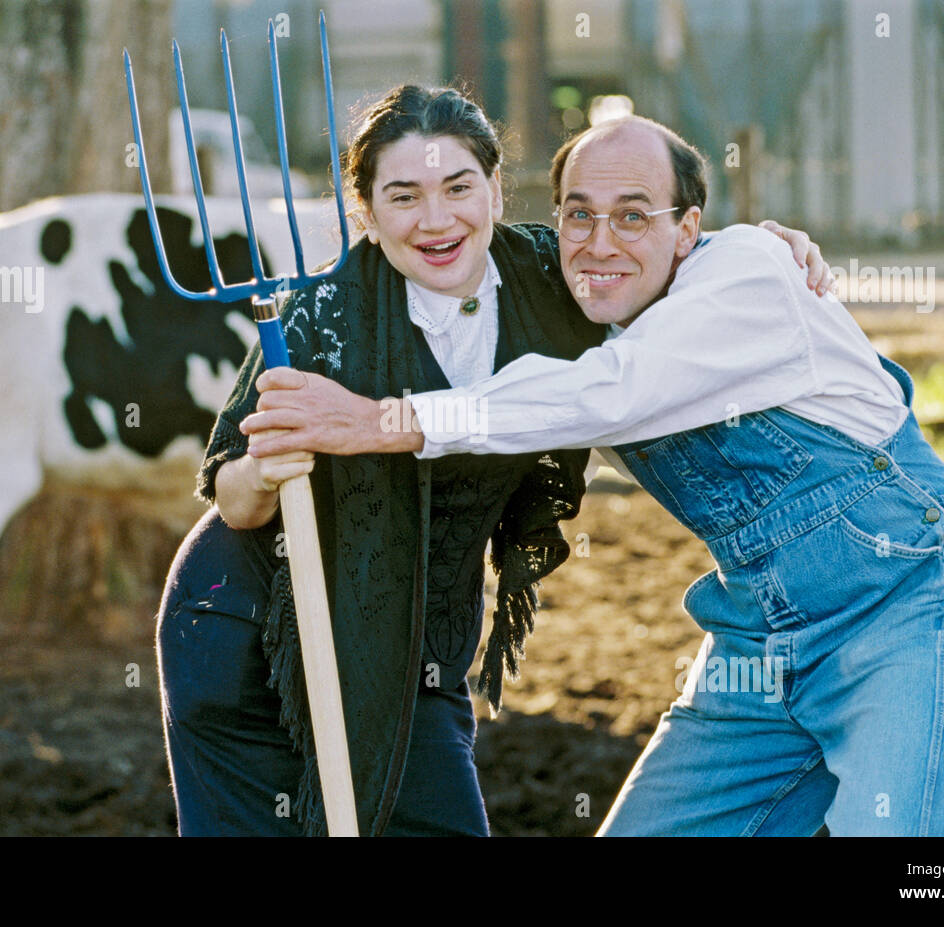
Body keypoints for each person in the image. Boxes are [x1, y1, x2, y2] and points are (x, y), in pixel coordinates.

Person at [245, 115, 944, 837]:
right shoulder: (586, 301)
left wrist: (383, 420)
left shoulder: (746, 272)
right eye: (580, 215)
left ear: (688, 228)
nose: (600, 240)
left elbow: (613, 389)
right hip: (759, 637)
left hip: (905, 603)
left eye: (634, 215)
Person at [157, 88, 829, 837]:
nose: (437, 220)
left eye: (458, 188)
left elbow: (661, 264)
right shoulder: (324, 315)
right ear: (366, 214)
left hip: (419, 640)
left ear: (497, 189)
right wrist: (266, 469)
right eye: (403, 196)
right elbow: (230, 490)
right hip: (246, 629)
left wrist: (756, 251)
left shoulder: (559, 278)